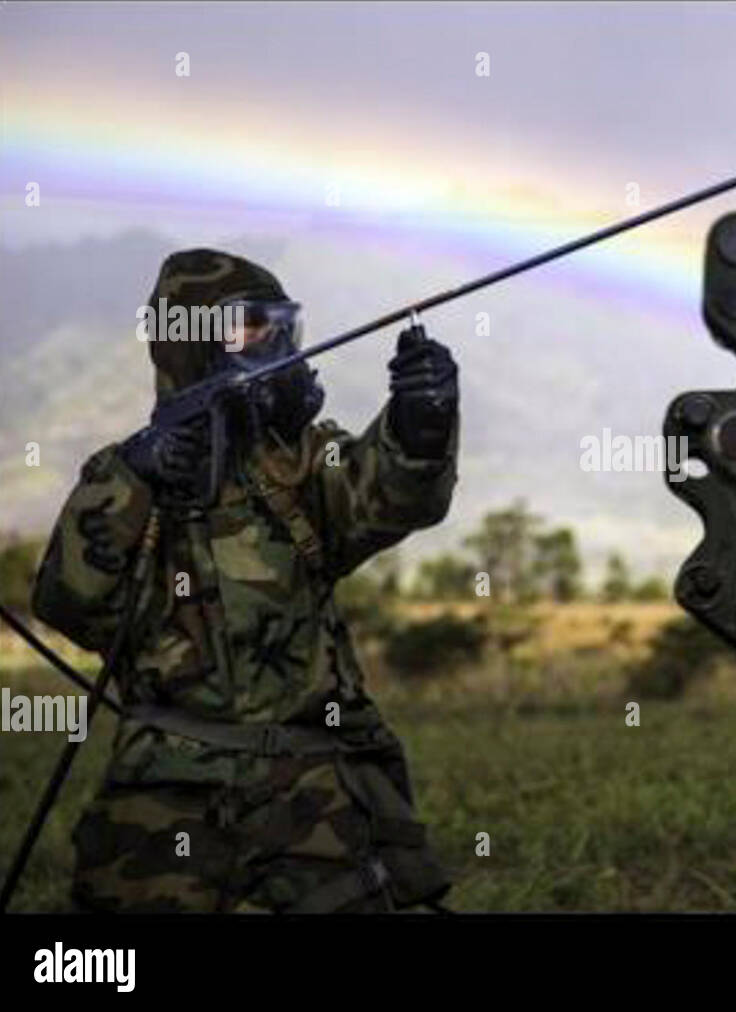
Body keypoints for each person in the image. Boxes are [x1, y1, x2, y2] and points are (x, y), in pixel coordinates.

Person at [32, 248, 458, 912]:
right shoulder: (123, 477)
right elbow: (67, 602)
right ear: (191, 345)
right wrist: (136, 479)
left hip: (310, 790)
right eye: (248, 326)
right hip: (165, 794)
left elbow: (390, 498)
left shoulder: (306, 462)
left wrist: (419, 424)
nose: (274, 342)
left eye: (281, 325)